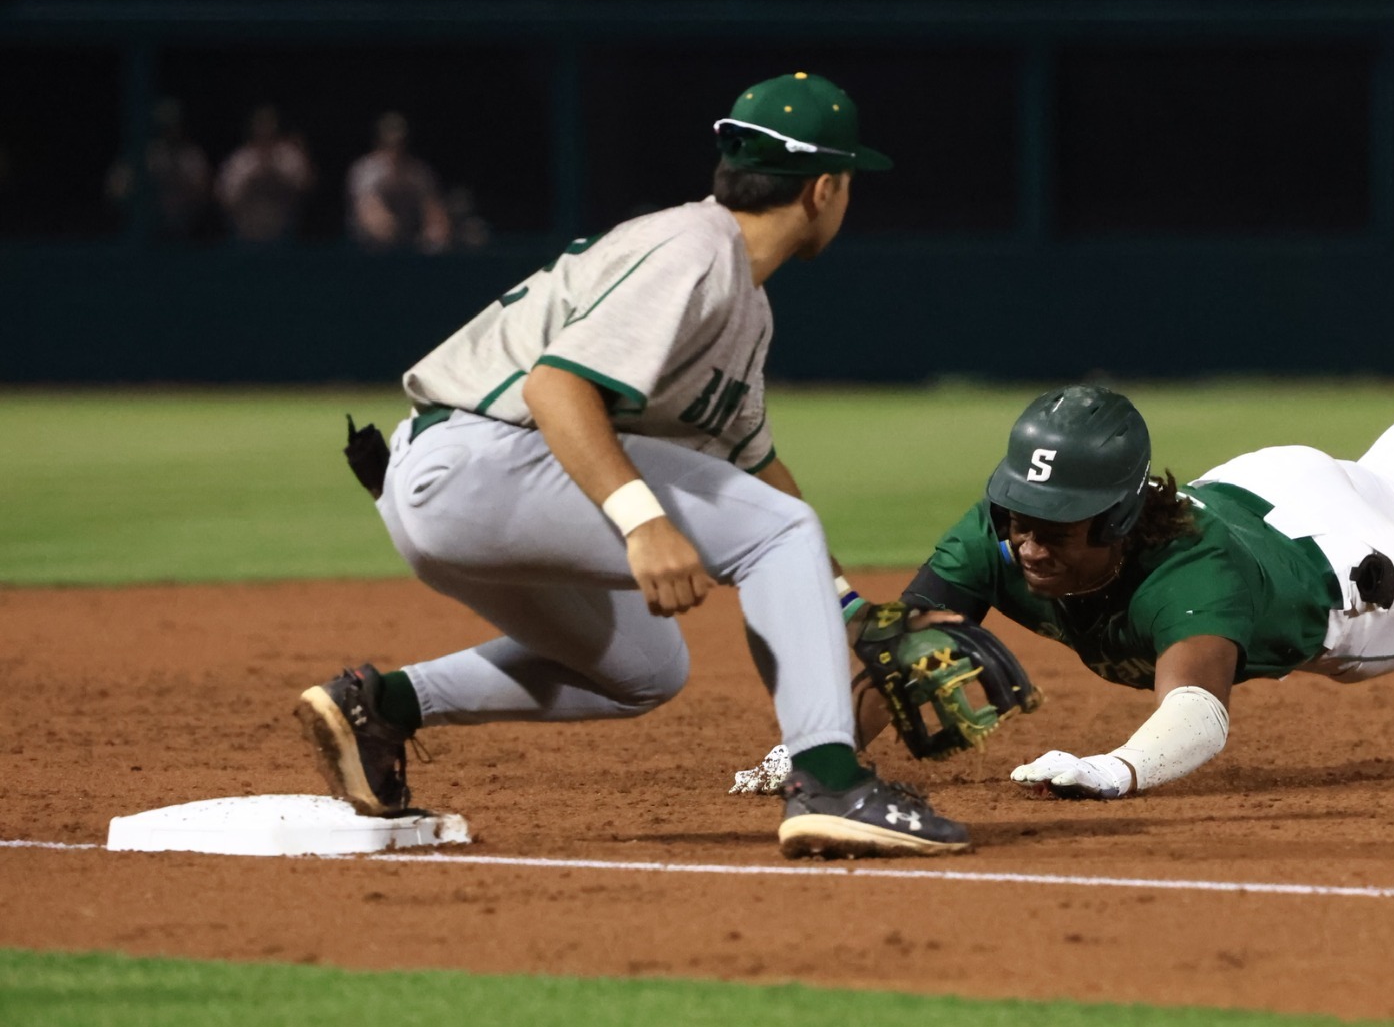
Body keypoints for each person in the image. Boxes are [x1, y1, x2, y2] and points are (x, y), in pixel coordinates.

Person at [295, 72, 971, 858]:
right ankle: (831, 780)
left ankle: (382, 705)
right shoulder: (695, 249)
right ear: (823, 188)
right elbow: (556, 387)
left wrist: (853, 612)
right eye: (848, 180)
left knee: (645, 666)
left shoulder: (738, 297)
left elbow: (753, 467)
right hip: (477, 460)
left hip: (463, 488)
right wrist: (642, 521)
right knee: (779, 532)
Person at [738, 269, 1394, 800]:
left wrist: (1114, 767)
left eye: (1057, 526)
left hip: (1357, 578)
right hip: (1271, 482)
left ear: (1118, 519)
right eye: (1020, 515)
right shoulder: (999, 529)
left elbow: (1196, 714)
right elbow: (908, 651)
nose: (1027, 543)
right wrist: (819, 747)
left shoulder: (1192, 579)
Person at [105, 97, 211, 240]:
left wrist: (176, 177)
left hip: (185, 235)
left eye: (172, 124)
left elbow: (203, 196)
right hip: (144, 234)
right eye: (164, 125)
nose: (168, 130)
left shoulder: (191, 158)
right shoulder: (141, 156)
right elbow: (116, 191)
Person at [348, 111, 454, 251]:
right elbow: (371, 216)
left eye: (400, 141)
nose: (395, 147)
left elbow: (434, 211)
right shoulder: (365, 171)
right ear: (379, 140)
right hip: (368, 250)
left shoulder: (419, 172)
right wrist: (390, 231)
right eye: (389, 141)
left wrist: (435, 232)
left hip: (412, 245)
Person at [214, 104, 316, 244]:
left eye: (269, 125)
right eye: (261, 125)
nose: (265, 130)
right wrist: (252, 183)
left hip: (287, 236)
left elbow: (308, 187)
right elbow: (225, 198)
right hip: (246, 236)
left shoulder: (290, 156)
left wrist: (278, 179)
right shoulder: (240, 160)